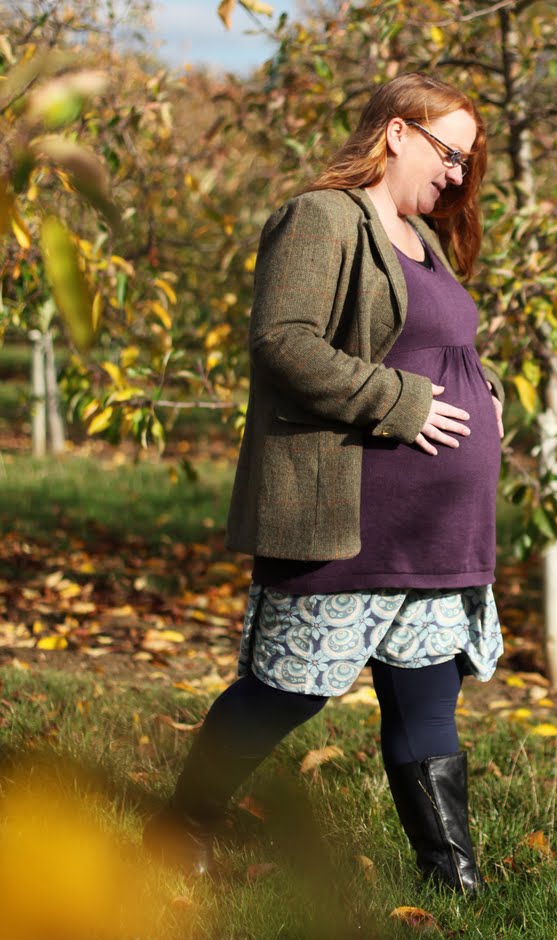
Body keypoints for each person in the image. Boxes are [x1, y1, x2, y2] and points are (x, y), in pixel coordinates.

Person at [144, 73, 505, 895]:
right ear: (398, 133)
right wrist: (402, 404)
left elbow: (437, 345)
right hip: (350, 512)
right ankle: (181, 826)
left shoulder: (424, 236)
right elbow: (283, 341)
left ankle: (454, 879)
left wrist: (485, 394)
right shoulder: (322, 218)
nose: (458, 176)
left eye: (468, 162)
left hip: (438, 528)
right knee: (285, 691)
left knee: (426, 699)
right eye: (451, 154)